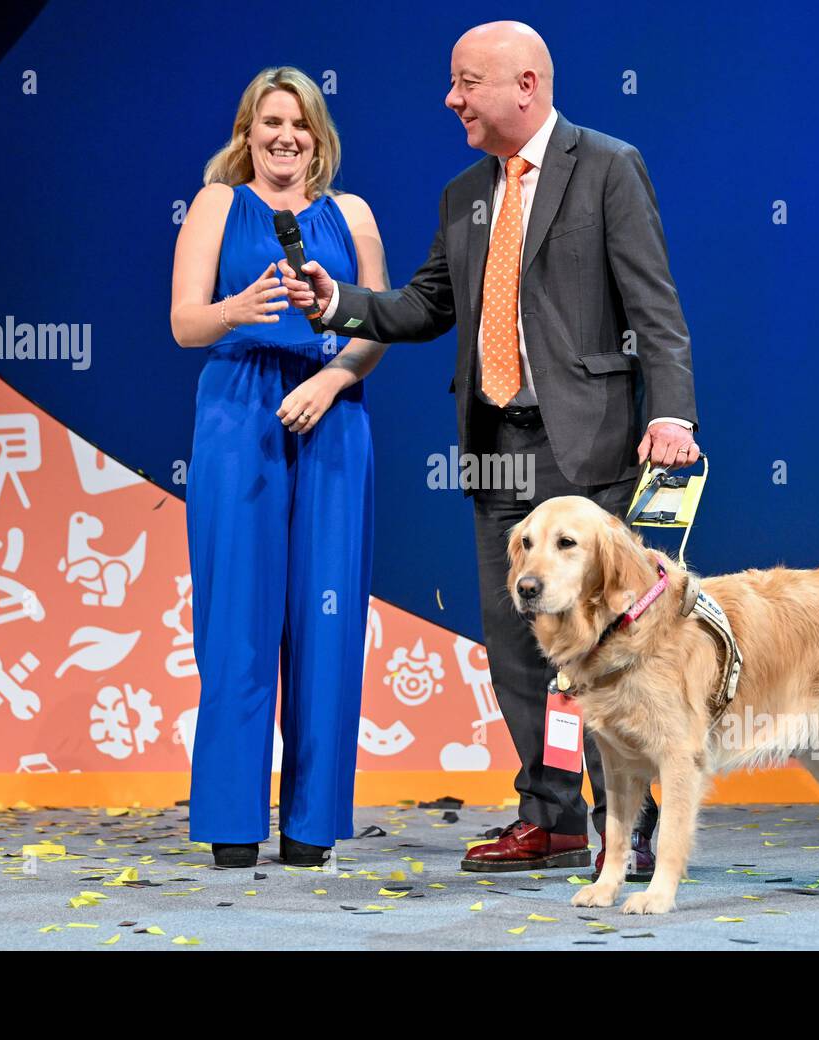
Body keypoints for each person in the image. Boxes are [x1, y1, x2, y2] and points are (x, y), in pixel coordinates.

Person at [281, 23, 699, 874]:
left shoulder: (608, 166)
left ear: (527, 84)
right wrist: (338, 307)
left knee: (612, 649)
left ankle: (638, 820)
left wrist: (676, 416)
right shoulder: (465, 191)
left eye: (466, 82)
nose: (452, 98)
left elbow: (654, 306)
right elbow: (425, 306)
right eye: (452, 82)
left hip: (586, 452)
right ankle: (551, 818)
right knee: (519, 647)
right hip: (493, 448)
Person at [170, 66, 390, 869]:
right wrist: (237, 309)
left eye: (298, 124)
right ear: (247, 133)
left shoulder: (352, 213)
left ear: (317, 136)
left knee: (326, 627)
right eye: (269, 123)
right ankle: (232, 823)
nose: (284, 137)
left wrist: (334, 379)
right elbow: (184, 321)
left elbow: (378, 322)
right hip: (239, 412)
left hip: (334, 417)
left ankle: (310, 827)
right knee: (239, 621)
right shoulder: (217, 204)